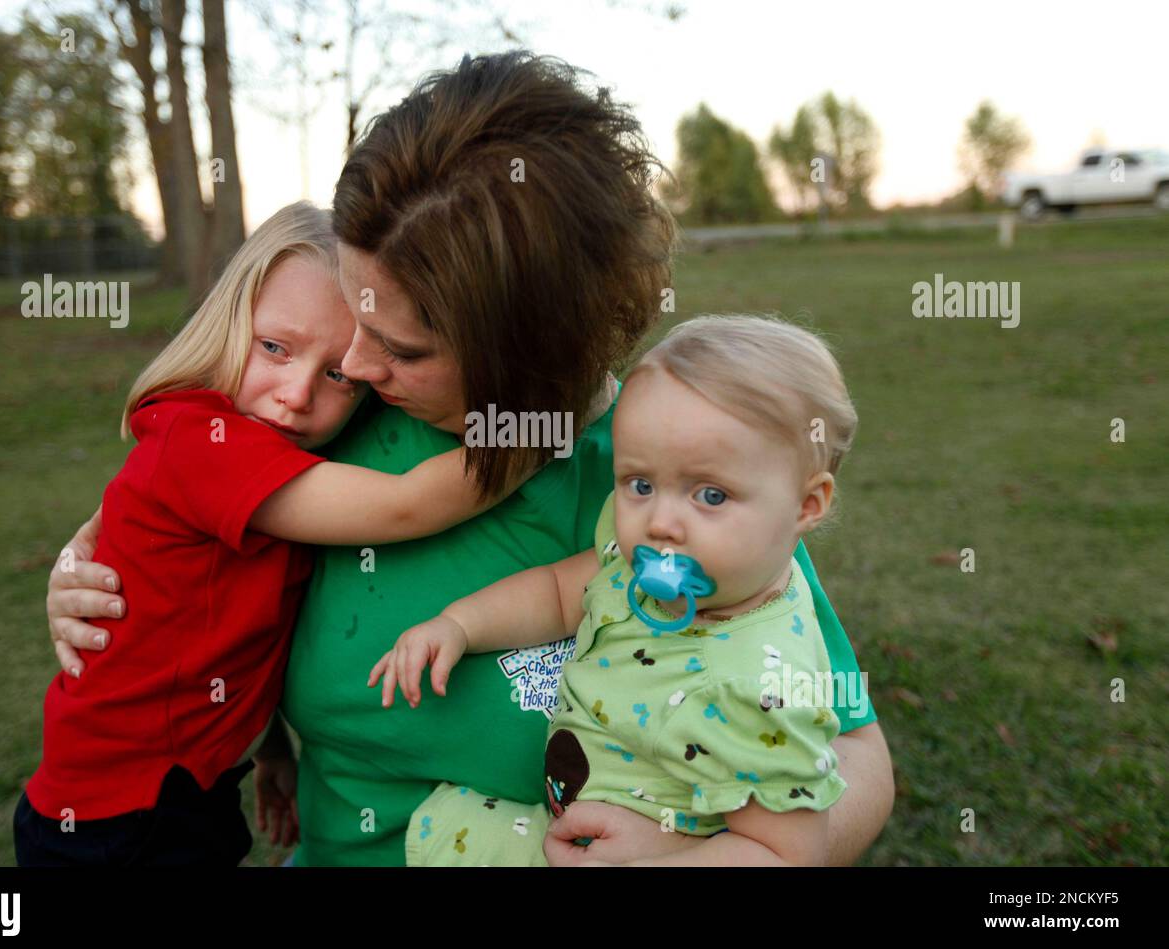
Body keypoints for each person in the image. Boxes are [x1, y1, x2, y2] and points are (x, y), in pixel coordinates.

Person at [45, 52, 894, 867]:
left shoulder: (659, 483)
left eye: (404, 349)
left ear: (526, 352)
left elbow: (857, 758)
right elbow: (177, 492)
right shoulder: (333, 413)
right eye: (356, 315)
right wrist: (84, 565)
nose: (360, 368)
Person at [15, 202, 520, 865]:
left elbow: (232, 635)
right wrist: (535, 430)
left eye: (337, 374)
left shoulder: (270, 454)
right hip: (118, 820)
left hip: (191, 788)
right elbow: (404, 506)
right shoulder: (203, 442)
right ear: (229, 321)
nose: (296, 394)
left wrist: (271, 747)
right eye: (274, 348)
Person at [375, 315, 859, 865]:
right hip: (561, 822)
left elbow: (786, 855)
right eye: (641, 484)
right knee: (440, 828)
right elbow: (558, 592)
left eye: (712, 496)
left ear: (806, 506)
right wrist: (458, 625)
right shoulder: (654, 564)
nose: (662, 522)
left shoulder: (759, 690)